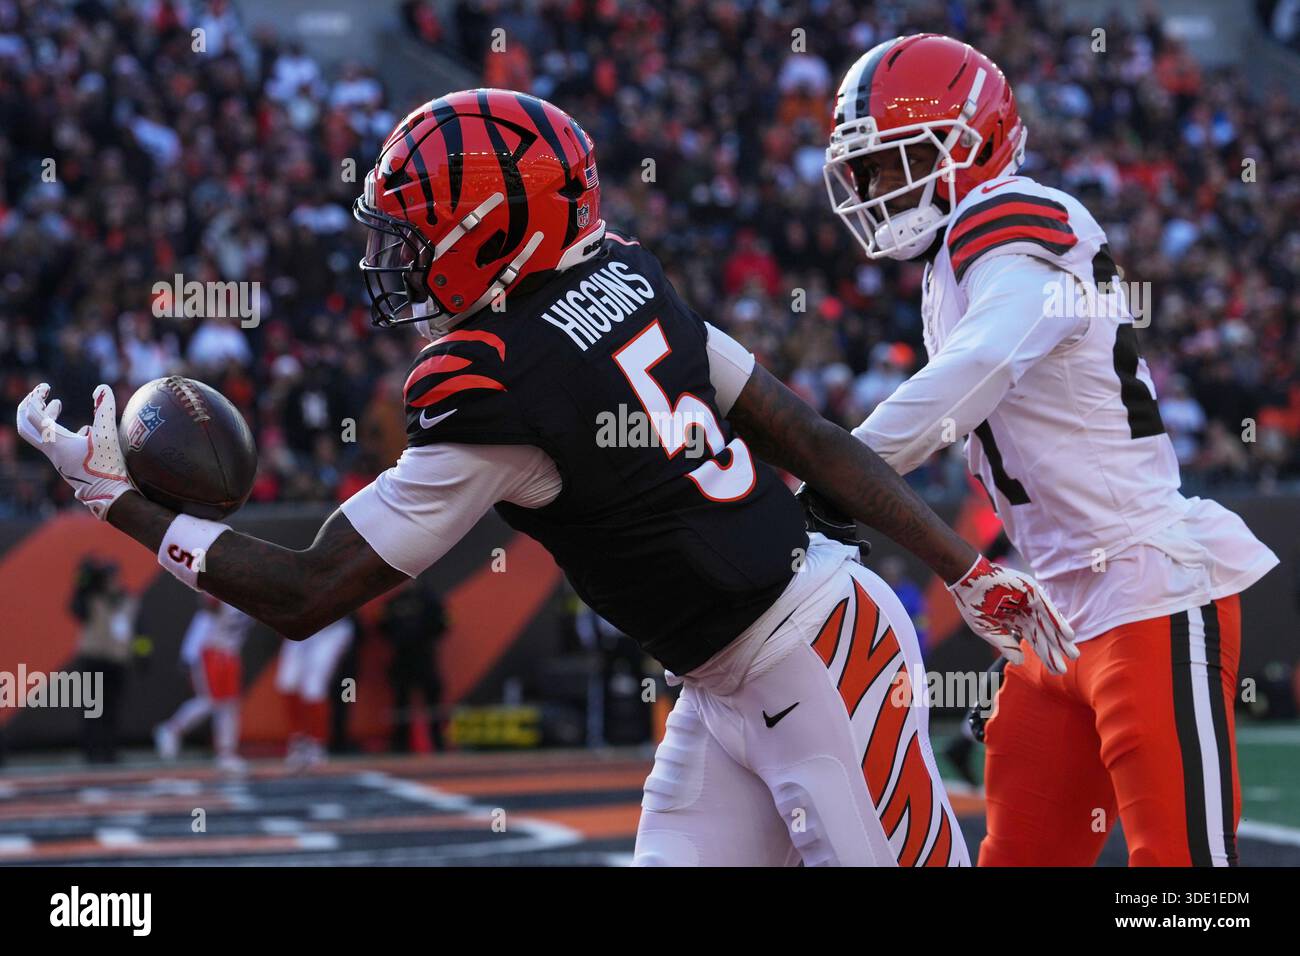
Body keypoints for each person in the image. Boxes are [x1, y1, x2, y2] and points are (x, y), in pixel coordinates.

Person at [18, 89, 1073, 866]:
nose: (401, 258)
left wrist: (119, 499)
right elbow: (805, 432)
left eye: (421, 233)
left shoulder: (492, 385)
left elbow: (304, 591)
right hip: (728, 682)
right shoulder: (628, 276)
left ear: (489, 232)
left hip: (817, 656)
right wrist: (955, 566)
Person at [821, 34, 1278, 866]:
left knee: (1186, 889)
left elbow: (983, 367)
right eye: (869, 169)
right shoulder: (952, 260)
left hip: (1148, 591)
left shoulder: (1014, 216)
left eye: (895, 162)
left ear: (972, 144)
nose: (877, 187)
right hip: (1051, 622)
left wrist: (836, 470)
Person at [154, 595, 253, 773]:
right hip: (212, 651)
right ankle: (172, 729)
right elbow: (205, 613)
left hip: (231, 654)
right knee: (210, 701)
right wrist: (188, 655)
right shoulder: (223, 591)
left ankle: (226, 753)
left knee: (229, 705)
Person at [68, 558, 138, 764]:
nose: (113, 581)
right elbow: (76, 608)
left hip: (117, 660)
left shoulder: (127, 599)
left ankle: (110, 750)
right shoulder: (91, 597)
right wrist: (83, 580)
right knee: (92, 707)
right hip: (94, 659)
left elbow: (137, 627)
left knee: (112, 708)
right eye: (108, 577)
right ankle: (91, 750)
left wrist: (142, 653)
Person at [276, 617, 355, 770]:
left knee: (314, 688)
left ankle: (317, 744)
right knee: (287, 682)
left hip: (330, 629)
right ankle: (298, 740)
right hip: (301, 627)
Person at [379, 580, 448, 752]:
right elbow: (382, 626)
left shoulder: (429, 599)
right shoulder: (395, 602)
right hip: (402, 657)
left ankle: (437, 741)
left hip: (425, 655)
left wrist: (423, 638)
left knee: (432, 698)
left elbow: (443, 623)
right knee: (401, 699)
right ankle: (400, 743)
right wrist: (400, 639)